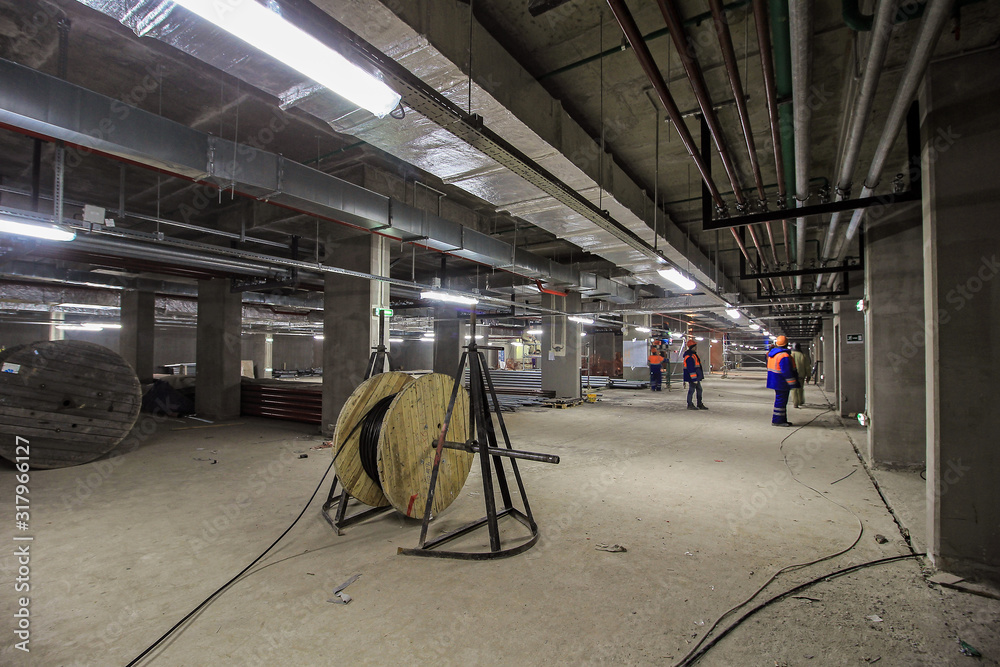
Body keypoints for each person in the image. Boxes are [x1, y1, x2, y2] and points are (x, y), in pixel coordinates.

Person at [766, 335, 799, 426]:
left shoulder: (772, 354)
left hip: (774, 380)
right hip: (781, 381)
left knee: (780, 401)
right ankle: (778, 421)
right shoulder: (784, 355)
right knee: (781, 401)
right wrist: (793, 383)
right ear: (787, 344)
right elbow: (787, 371)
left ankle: (782, 419)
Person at [683, 339, 707, 410]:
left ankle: (699, 404)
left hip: (695, 377)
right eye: (695, 346)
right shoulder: (689, 356)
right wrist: (694, 379)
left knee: (699, 390)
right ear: (692, 347)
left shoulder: (693, 355)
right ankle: (690, 404)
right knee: (692, 390)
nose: (696, 348)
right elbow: (691, 369)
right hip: (693, 377)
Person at [790, 342, 812, 408]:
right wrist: (808, 375)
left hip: (792, 375)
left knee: (793, 389)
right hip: (801, 375)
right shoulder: (803, 355)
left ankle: (795, 403)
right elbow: (807, 366)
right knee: (800, 389)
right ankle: (800, 401)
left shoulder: (790, 355)